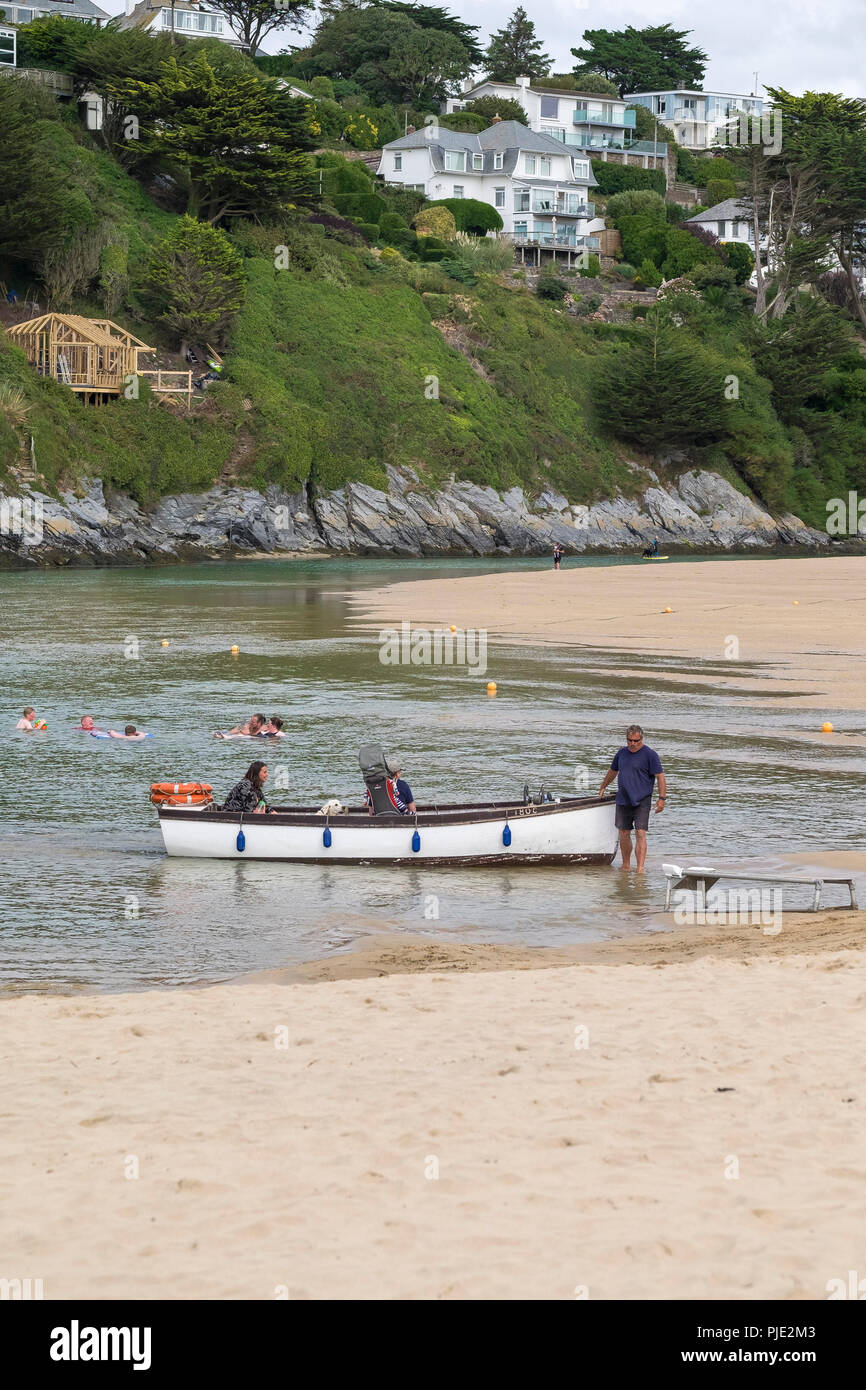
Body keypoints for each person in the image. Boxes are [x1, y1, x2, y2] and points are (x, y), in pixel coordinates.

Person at [598, 724, 666, 873]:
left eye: (636, 741)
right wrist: (603, 786)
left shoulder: (650, 755)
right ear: (626, 739)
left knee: (640, 833)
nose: (632, 744)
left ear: (641, 739)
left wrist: (662, 799)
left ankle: (640, 869)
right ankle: (626, 865)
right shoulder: (621, 753)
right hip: (623, 799)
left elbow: (660, 777)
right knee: (623, 833)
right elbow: (612, 771)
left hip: (642, 799)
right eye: (630, 740)